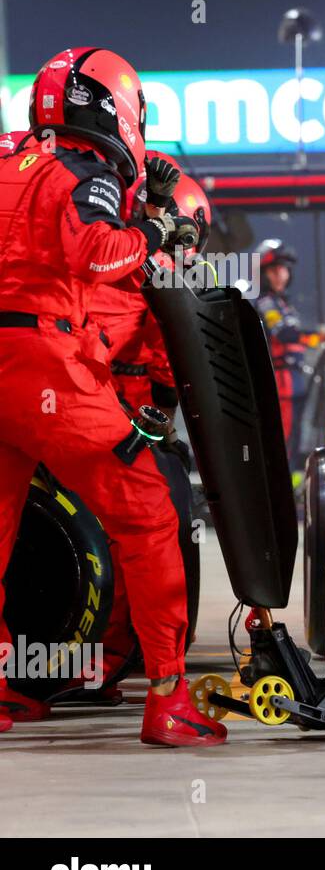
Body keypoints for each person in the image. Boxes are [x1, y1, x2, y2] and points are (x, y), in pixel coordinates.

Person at [0, 48, 224, 745]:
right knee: (149, 514)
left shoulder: (11, 158)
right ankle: (167, 698)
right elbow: (97, 252)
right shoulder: (83, 170)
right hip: (45, 361)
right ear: (116, 107)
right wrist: (156, 228)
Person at [90, 151, 211, 416]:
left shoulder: (98, 246)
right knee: (156, 458)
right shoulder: (163, 272)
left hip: (70, 374)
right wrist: (165, 421)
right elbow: (168, 351)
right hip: (123, 391)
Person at [253, 239, 311, 455]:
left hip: (294, 380)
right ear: (263, 274)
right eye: (274, 270)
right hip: (279, 382)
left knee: (295, 440)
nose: (280, 275)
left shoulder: (285, 304)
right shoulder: (266, 303)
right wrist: (319, 337)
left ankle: (294, 483)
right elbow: (284, 334)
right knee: (282, 440)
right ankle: (282, 486)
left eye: (284, 270)